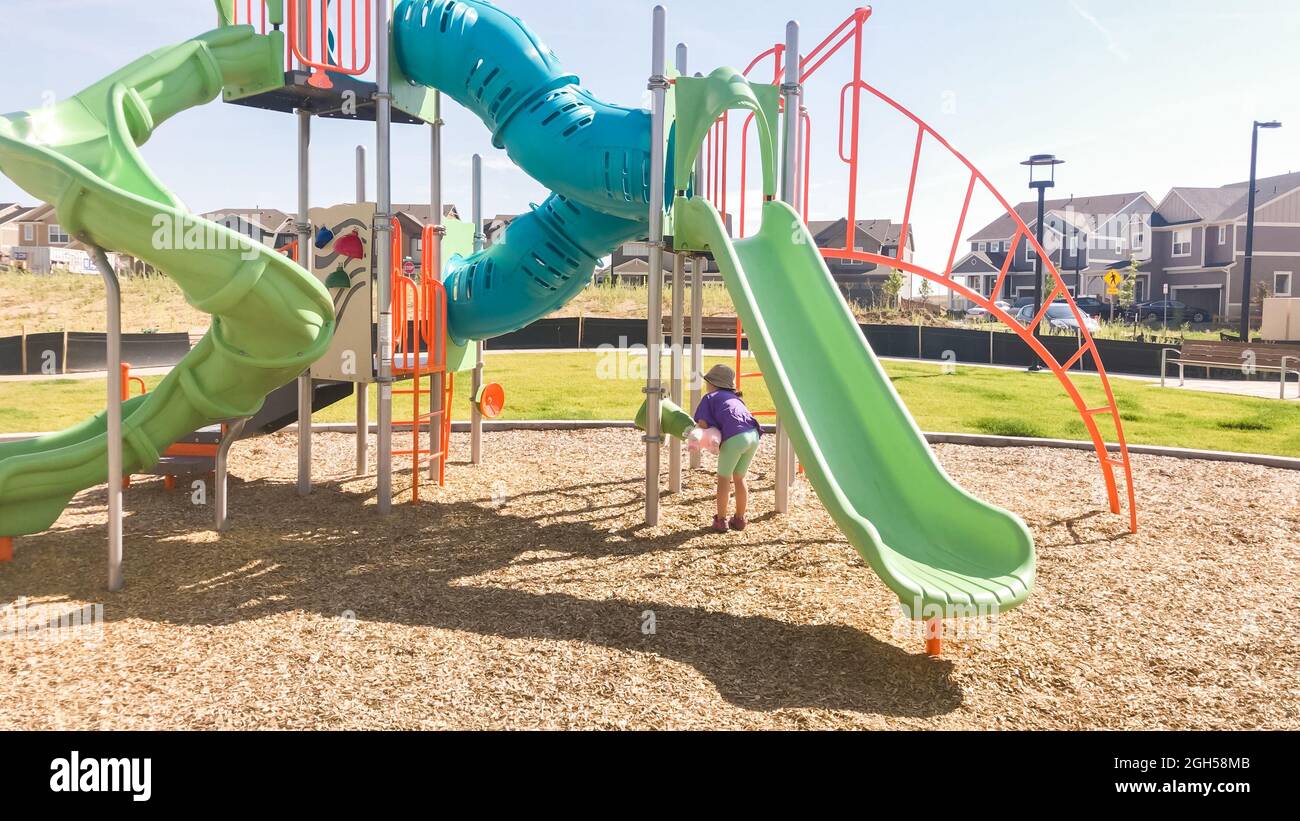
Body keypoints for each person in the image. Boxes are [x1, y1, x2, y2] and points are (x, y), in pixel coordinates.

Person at [693, 364, 761, 532]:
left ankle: (721, 520)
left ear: (712, 383)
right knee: (739, 476)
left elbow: (702, 424)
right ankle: (739, 519)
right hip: (753, 435)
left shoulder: (709, 397)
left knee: (724, 478)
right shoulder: (736, 398)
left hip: (735, 438)